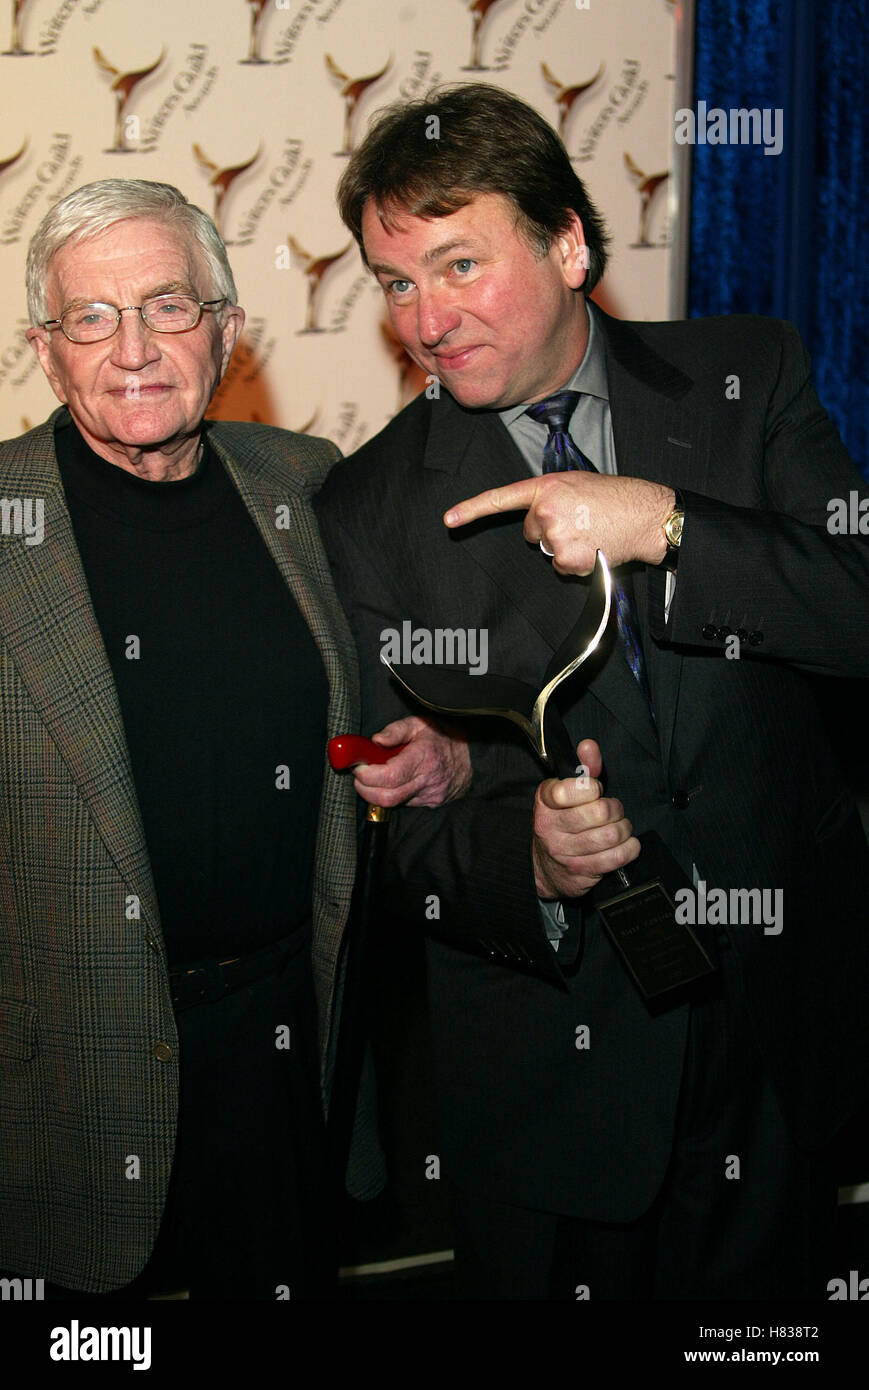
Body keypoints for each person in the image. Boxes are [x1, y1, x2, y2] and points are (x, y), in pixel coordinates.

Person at [314, 84, 869, 1300]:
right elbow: (394, 829)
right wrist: (523, 855)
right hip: (556, 1068)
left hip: (777, 1031)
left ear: (566, 242)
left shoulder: (745, 372)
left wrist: (667, 525)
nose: (426, 317)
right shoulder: (369, 509)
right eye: (396, 281)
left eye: (459, 262)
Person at [0, 178, 463, 1300]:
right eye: (91, 318)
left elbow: (404, 698)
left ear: (226, 327)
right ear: (44, 351)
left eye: (168, 305)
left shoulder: (307, 485)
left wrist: (437, 750)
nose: (134, 349)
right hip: (57, 1073)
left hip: (281, 1044)